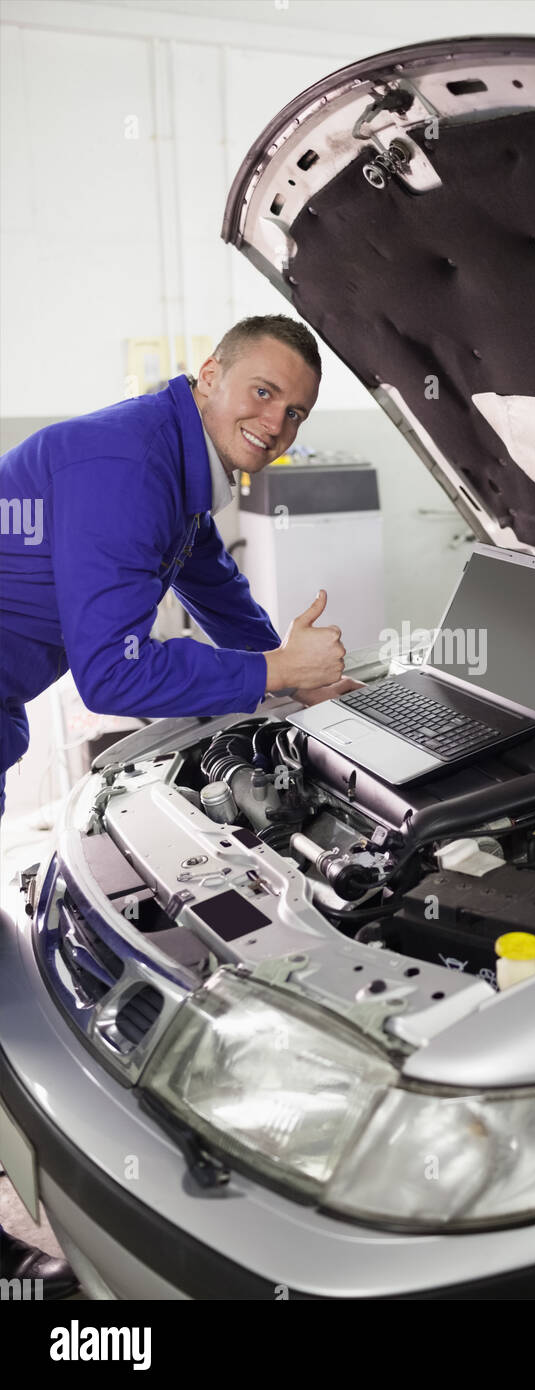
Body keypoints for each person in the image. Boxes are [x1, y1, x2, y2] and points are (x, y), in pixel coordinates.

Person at [0, 314, 357, 1294]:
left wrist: (293, 680)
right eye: (261, 393)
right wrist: (272, 668)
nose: (276, 422)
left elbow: (212, 585)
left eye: (294, 412)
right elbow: (112, 671)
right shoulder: (130, 464)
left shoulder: (179, 467)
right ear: (209, 377)